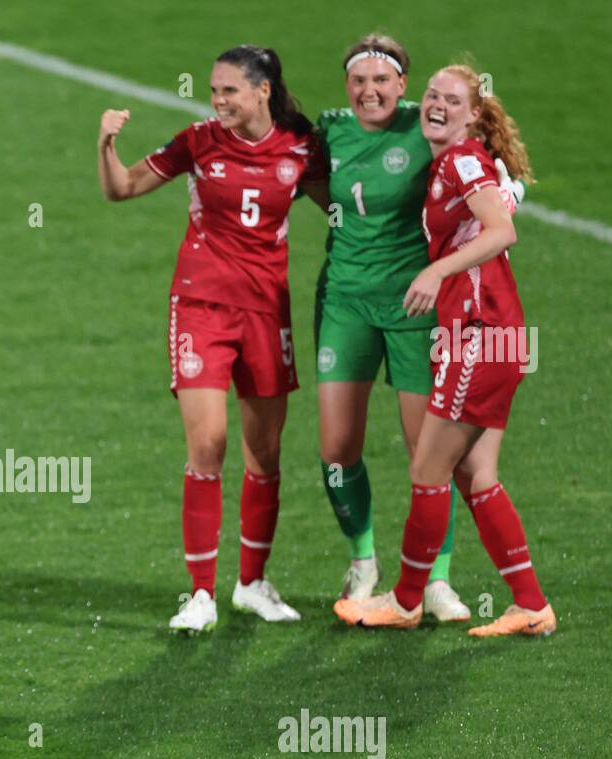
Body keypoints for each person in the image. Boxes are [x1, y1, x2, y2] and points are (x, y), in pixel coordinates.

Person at [97, 45, 326, 633]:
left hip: (267, 312)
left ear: (263, 91)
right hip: (200, 307)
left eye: (229, 90)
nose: (218, 101)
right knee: (209, 446)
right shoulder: (198, 141)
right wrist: (106, 146)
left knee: (265, 453)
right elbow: (121, 189)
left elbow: (343, 211)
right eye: (213, 90)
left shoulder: (301, 147)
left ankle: (252, 583)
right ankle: (200, 593)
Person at [334, 65, 556, 636]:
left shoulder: (460, 161)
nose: (435, 104)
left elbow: (501, 230)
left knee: (428, 468)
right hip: (497, 337)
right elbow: (497, 206)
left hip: (479, 336)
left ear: (474, 115)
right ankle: (530, 605)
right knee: (477, 476)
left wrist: (436, 270)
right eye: (431, 96)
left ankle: (406, 600)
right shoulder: (459, 164)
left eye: (451, 100)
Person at [310, 35, 470, 622]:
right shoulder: (330, 131)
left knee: (427, 452)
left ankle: (436, 581)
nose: (368, 91)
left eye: (382, 81)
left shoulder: (425, 128)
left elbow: (492, 169)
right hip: (346, 301)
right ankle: (363, 561)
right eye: (358, 81)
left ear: (403, 85)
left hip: (414, 307)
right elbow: (308, 180)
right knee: (335, 448)